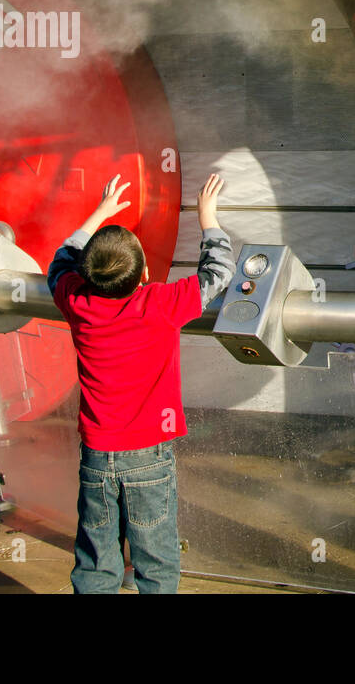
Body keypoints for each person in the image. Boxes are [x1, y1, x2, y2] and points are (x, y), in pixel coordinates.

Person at [47, 173, 234, 594]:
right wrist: (208, 218)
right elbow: (219, 272)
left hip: (97, 454)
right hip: (148, 453)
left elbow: (61, 260)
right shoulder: (160, 303)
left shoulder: (77, 300)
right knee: (157, 558)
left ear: (88, 275)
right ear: (146, 273)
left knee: (96, 560)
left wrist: (99, 212)